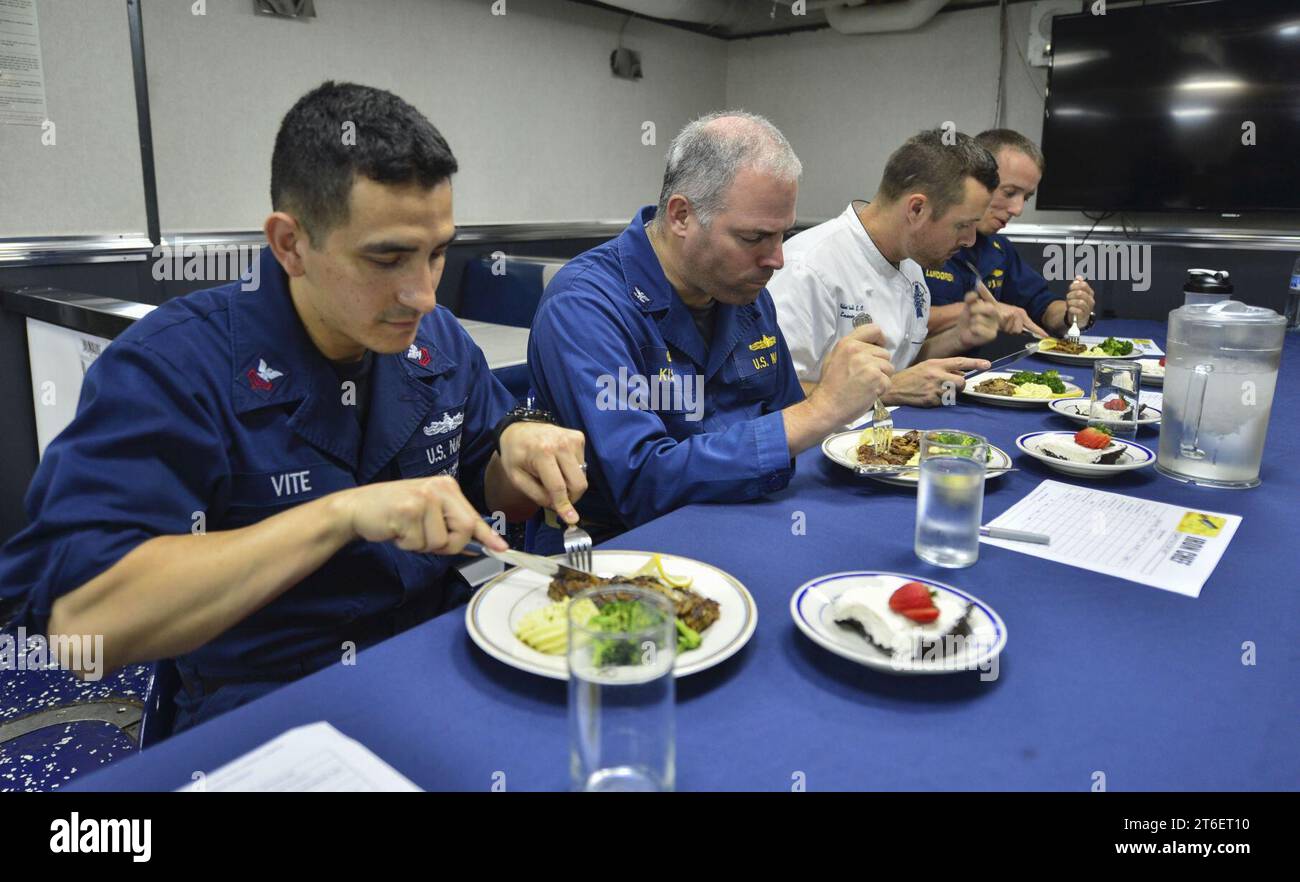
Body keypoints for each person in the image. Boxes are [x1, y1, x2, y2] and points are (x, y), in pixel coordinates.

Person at [0, 82, 587, 731]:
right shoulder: (170, 368)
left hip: (436, 656)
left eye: (438, 252)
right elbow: (87, 623)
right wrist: (338, 516)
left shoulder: (439, 341)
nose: (423, 293)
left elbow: (489, 487)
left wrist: (522, 450)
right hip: (264, 702)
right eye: (387, 258)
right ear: (289, 244)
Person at [526, 111, 894, 550]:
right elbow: (642, 483)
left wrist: (819, 411)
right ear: (681, 216)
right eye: (754, 238)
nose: (777, 259)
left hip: (746, 519)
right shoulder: (587, 305)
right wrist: (820, 411)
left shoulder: (744, 294)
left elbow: (787, 426)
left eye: (783, 235)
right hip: (622, 551)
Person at [769, 129, 1002, 408]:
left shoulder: (911, 262)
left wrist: (958, 337)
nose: (970, 240)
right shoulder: (807, 268)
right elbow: (772, 396)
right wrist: (886, 390)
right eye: (963, 225)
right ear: (916, 209)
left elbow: (902, 366)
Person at [926, 129, 1096, 339]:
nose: (1017, 210)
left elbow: (1040, 304)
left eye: (1025, 197)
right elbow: (892, 322)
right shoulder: (920, 240)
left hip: (979, 367)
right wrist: (976, 312)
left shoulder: (998, 248)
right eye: (1009, 192)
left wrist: (1071, 315)